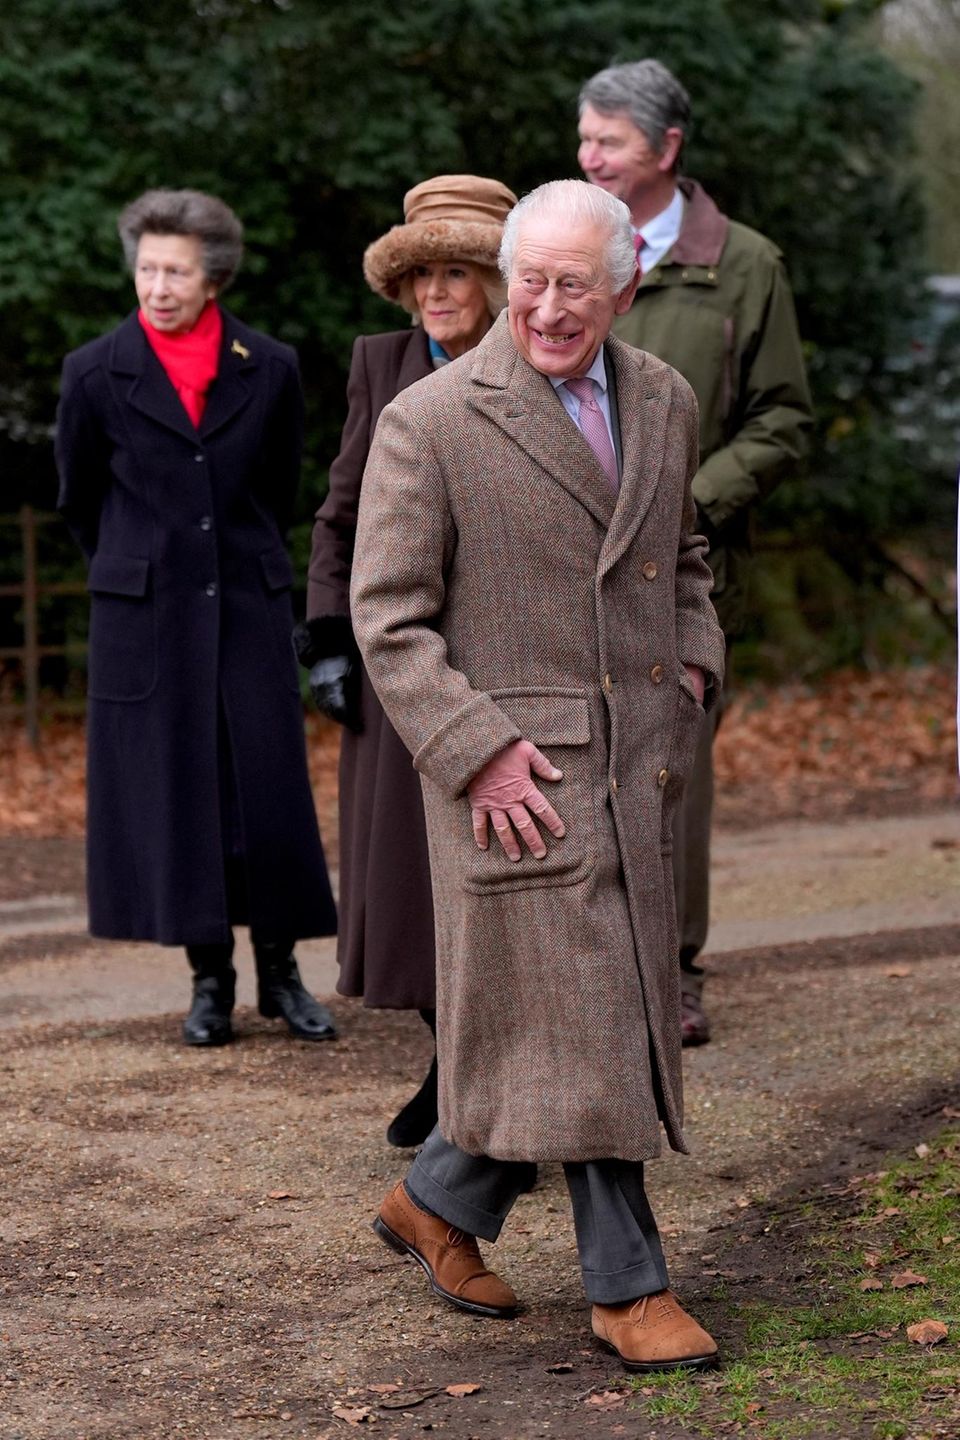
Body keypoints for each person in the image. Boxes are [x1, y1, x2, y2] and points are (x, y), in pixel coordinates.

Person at [351, 179, 726, 1371]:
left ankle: (439, 1197)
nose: (549, 307)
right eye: (531, 279)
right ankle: (628, 1288)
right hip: (512, 782)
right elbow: (390, 618)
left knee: (573, 1024)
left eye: (576, 283)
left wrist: (698, 669)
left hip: (639, 769)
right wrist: (474, 749)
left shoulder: (664, 398)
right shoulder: (435, 417)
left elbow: (690, 557)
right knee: (593, 1019)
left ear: (624, 286)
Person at [55, 188, 337, 1048]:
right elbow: (81, 500)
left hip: (249, 606)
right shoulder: (94, 372)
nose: (158, 285)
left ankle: (281, 974)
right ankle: (208, 982)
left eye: (175, 270)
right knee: (180, 796)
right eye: (147, 268)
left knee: (264, 792)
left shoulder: (271, 365)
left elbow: (281, 486)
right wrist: (140, 565)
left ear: (212, 277)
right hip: (148, 617)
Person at [578, 59, 813, 1044]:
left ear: (667, 149)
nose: (589, 159)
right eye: (582, 140)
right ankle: (579, 967)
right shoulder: (564, 241)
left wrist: (692, 502)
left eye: (610, 143)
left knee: (670, 775)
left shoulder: (746, 266)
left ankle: (671, 972)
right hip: (564, 561)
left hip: (689, 575)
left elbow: (784, 419)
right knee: (570, 766)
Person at [295, 175, 517, 1146]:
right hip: (399, 661)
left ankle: (484, 1090)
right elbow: (340, 508)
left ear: (495, 282)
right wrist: (326, 633)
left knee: (495, 879)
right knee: (404, 889)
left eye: (456, 272)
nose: (436, 292)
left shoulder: (531, 365)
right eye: (422, 273)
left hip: (503, 660)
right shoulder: (379, 363)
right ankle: (448, 1068)